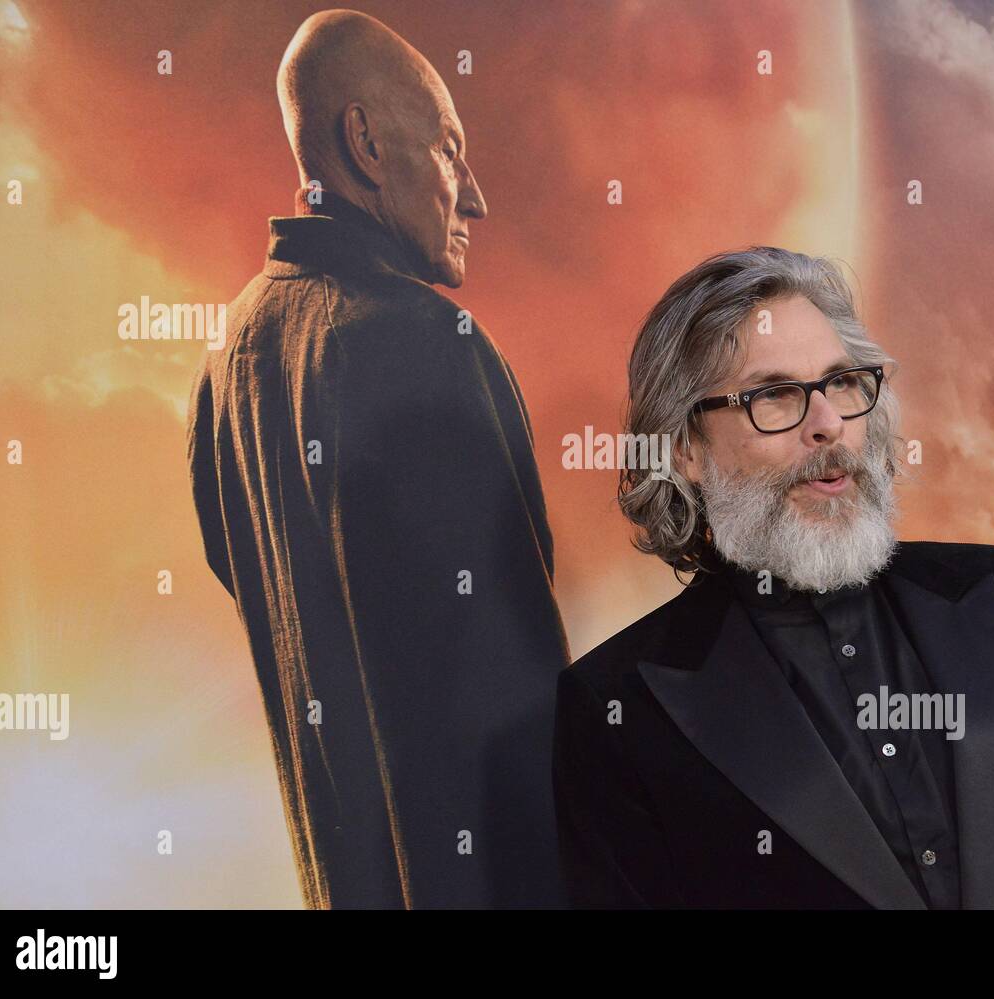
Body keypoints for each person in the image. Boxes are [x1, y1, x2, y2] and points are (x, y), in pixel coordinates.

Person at [552, 246, 994, 909]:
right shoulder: (616, 710)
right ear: (685, 449)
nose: (828, 425)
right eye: (775, 396)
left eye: (843, 382)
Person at [187, 9, 568, 908]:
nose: (474, 196)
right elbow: (528, 706)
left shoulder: (223, 364)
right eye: (447, 150)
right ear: (364, 143)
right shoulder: (431, 343)